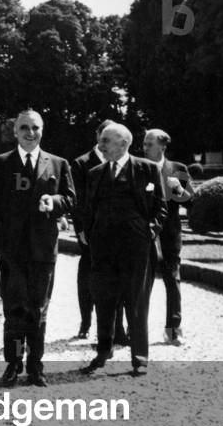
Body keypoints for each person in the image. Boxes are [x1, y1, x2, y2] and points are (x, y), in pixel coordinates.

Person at [0, 109, 75, 387]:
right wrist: (1, 233)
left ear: (42, 130)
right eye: (24, 128)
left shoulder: (58, 163)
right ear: (15, 132)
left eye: (35, 128)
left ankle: (35, 365)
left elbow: (70, 199)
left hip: (43, 250)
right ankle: (14, 363)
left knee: (39, 309)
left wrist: (54, 202)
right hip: (12, 251)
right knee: (15, 309)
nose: (30, 133)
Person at [80, 123, 167, 377]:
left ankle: (139, 358)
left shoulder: (147, 169)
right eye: (102, 140)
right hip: (103, 250)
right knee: (104, 301)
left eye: (106, 140)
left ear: (124, 144)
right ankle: (103, 352)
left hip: (136, 249)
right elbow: (89, 208)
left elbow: (160, 208)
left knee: (137, 303)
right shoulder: (95, 173)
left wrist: (149, 232)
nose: (101, 145)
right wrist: (89, 233)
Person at [71, 120, 127, 343]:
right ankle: (86, 321)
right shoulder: (82, 163)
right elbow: (77, 200)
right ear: (97, 135)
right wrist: (80, 229)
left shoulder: (121, 161)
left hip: (117, 231)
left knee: (118, 278)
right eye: (103, 136)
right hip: (91, 231)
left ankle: (117, 327)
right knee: (87, 278)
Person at [142, 129, 195, 345]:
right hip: (145, 234)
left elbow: (190, 202)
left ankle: (173, 331)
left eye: (148, 144)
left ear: (162, 147)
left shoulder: (178, 169)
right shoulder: (139, 167)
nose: (144, 148)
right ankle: (137, 333)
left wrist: (180, 189)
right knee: (142, 285)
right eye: (144, 144)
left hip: (170, 234)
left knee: (172, 281)